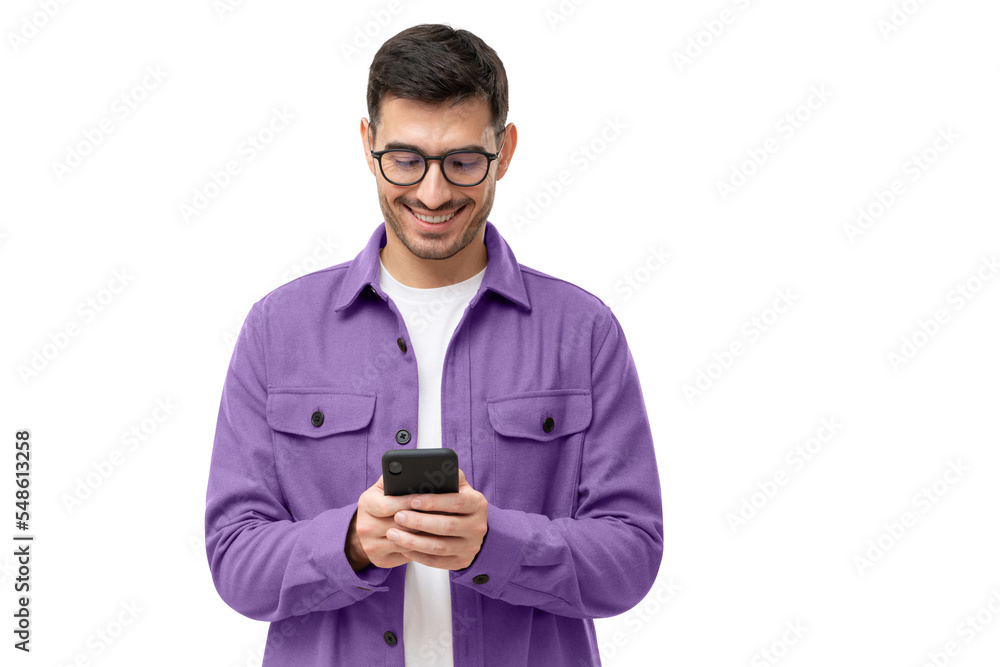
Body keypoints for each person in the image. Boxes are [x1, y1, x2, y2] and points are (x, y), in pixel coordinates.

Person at [204, 23, 663, 666]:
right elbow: (234, 560)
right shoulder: (278, 330)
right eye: (406, 158)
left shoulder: (582, 331)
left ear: (505, 150)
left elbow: (631, 557)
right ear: (368, 145)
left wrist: (493, 544)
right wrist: (352, 542)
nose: (433, 192)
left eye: (463, 162)